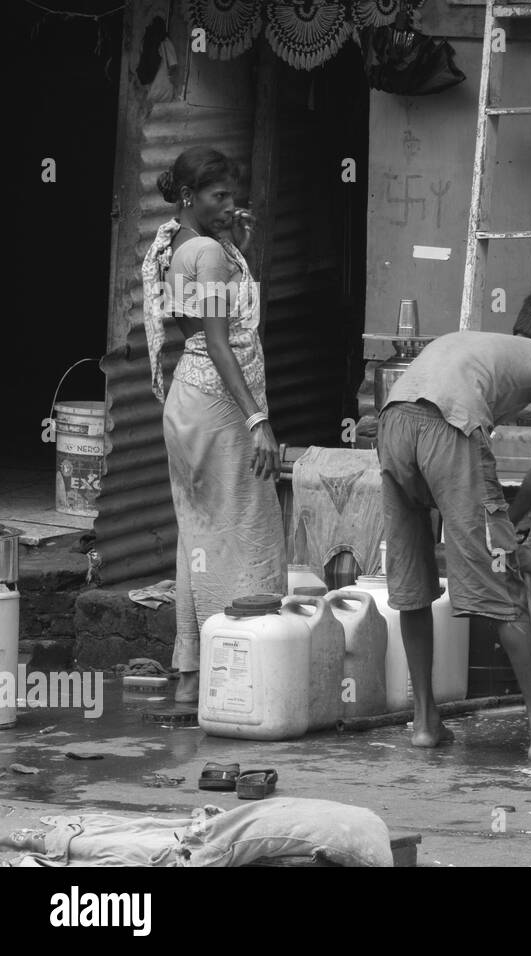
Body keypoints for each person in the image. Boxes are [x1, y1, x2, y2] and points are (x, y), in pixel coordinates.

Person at [377, 279, 531, 759]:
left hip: (392, 421)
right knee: (505, 591)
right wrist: (510, 522)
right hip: (447, 426)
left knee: (413, 586)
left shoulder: (474, 341)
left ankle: (424, 722)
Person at [142, 147, 283, 704]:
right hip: (220, 404)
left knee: (200, 534)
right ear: (188, 197)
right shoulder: (208, 253)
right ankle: (242, 673)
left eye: (233, 195)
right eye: (218, 196)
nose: (231, 205)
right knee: (246, 528)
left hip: (187, 401)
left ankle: (192, 674)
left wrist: (235, 248)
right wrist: (258, 420)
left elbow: (192, 321)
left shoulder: (176, 243)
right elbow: (220, 341)